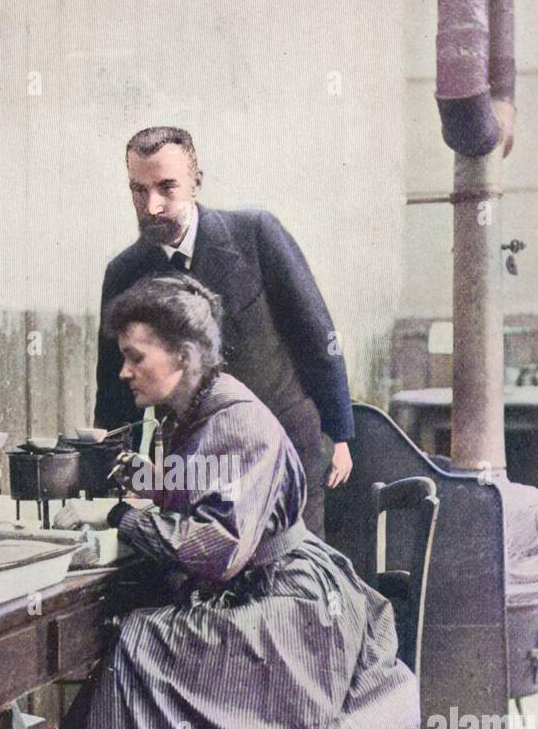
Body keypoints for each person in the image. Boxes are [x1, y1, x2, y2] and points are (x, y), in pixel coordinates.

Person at [0, 272, 419, 729]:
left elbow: (213, 552)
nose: (125, 370)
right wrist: (144, 488)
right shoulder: (198, 413)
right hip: (271, 595)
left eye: (136, 356)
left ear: (184, 355)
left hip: (293, 612)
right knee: (142, 641)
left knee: (143, 651)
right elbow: (200, 504)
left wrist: (125, 519)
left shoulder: (232, 421)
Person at [93, 125, 354, 540]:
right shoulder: (125, 272)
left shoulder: (255, 234)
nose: (152, 206)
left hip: (284, 446)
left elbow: (317, 334)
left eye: (166, 188)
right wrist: (109, 474)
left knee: (286, 577)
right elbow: (114, 388)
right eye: (138, 191)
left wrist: (339, 435)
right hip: (195, 466)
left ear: (196, 183)